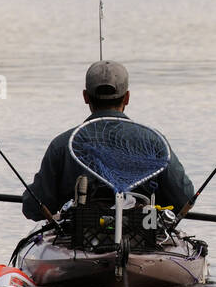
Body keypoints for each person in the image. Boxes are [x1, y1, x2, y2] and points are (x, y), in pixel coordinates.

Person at [21, 60, 195, 220]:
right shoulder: (155, 142)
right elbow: (182, 199)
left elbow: (33, 208)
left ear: (85, 97)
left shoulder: (62, 144)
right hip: (142, 235)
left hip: (80, 237)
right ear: (127, 97)